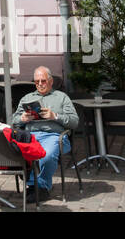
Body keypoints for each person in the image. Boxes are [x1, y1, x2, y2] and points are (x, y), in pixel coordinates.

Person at [10, 65, 79, 203]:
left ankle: (40, 188)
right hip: (30, 136)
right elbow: (14, 121)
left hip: (54, 136)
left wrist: (55, 116)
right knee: (15, 153)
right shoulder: (27, 98)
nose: (40, 84)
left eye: (43, 81)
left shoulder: (61, 97)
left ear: (51, 81)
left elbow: (75, 122)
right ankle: (34, 185)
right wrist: (22, 119)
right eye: (37, 82)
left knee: (46, 156)